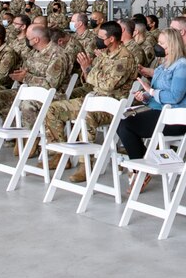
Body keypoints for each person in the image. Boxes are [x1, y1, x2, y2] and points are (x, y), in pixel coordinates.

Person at [44, 21, 138, 182]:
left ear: (112, 39)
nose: (98, 39)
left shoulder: (124, 58)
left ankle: (85, 165)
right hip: (94, 98)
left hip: (111, 105)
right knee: (52, 109)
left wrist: (88, 69)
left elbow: (108, 85)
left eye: (101, 37)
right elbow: (90, 81)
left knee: (86, 116)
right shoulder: (106, 54)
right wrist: (86, 70)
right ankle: (61, 155)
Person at [117, 28, 186, 160]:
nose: (158, 46)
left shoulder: (183, 66)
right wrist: (145, 97)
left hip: (177, 118)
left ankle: (140, 164)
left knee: (126, 125)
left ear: (172, 45)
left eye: (162, 43)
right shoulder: (163, 65)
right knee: (121, 121)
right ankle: (144, 161)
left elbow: (175, 97)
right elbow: (155, 91)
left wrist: (151, 91)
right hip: (161, 112)